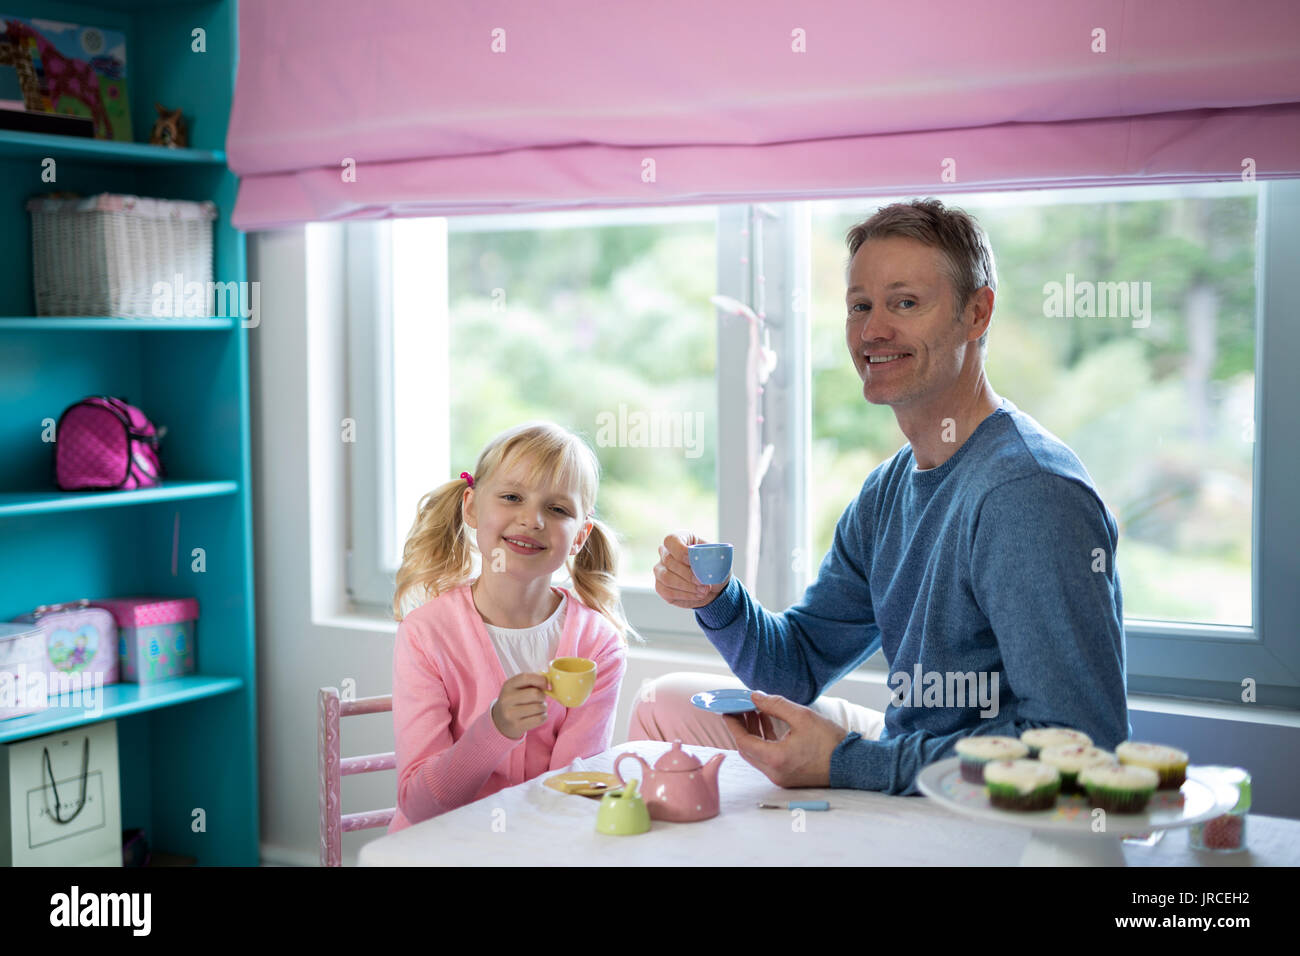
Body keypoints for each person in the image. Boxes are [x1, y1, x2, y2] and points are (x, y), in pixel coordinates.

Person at [636, 198, 1130, 795]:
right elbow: (793, 667)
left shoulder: (1027, 493)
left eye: (905, 303)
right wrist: (716, 599)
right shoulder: (888, 489)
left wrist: (848, 763)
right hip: (910, 753)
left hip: (988, 807)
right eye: (860, 306)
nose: (873, 331)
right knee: (664, 702)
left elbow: (1081, 744)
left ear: (978, 313)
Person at [388, 422, 631, 830]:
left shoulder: (597, 645)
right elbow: (419, 805)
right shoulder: (425, 635)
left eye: (557, 509)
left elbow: (571, 796)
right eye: (512, 497)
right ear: (471, 507)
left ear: (579, 536)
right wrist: (496, 728)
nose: (532, 519)